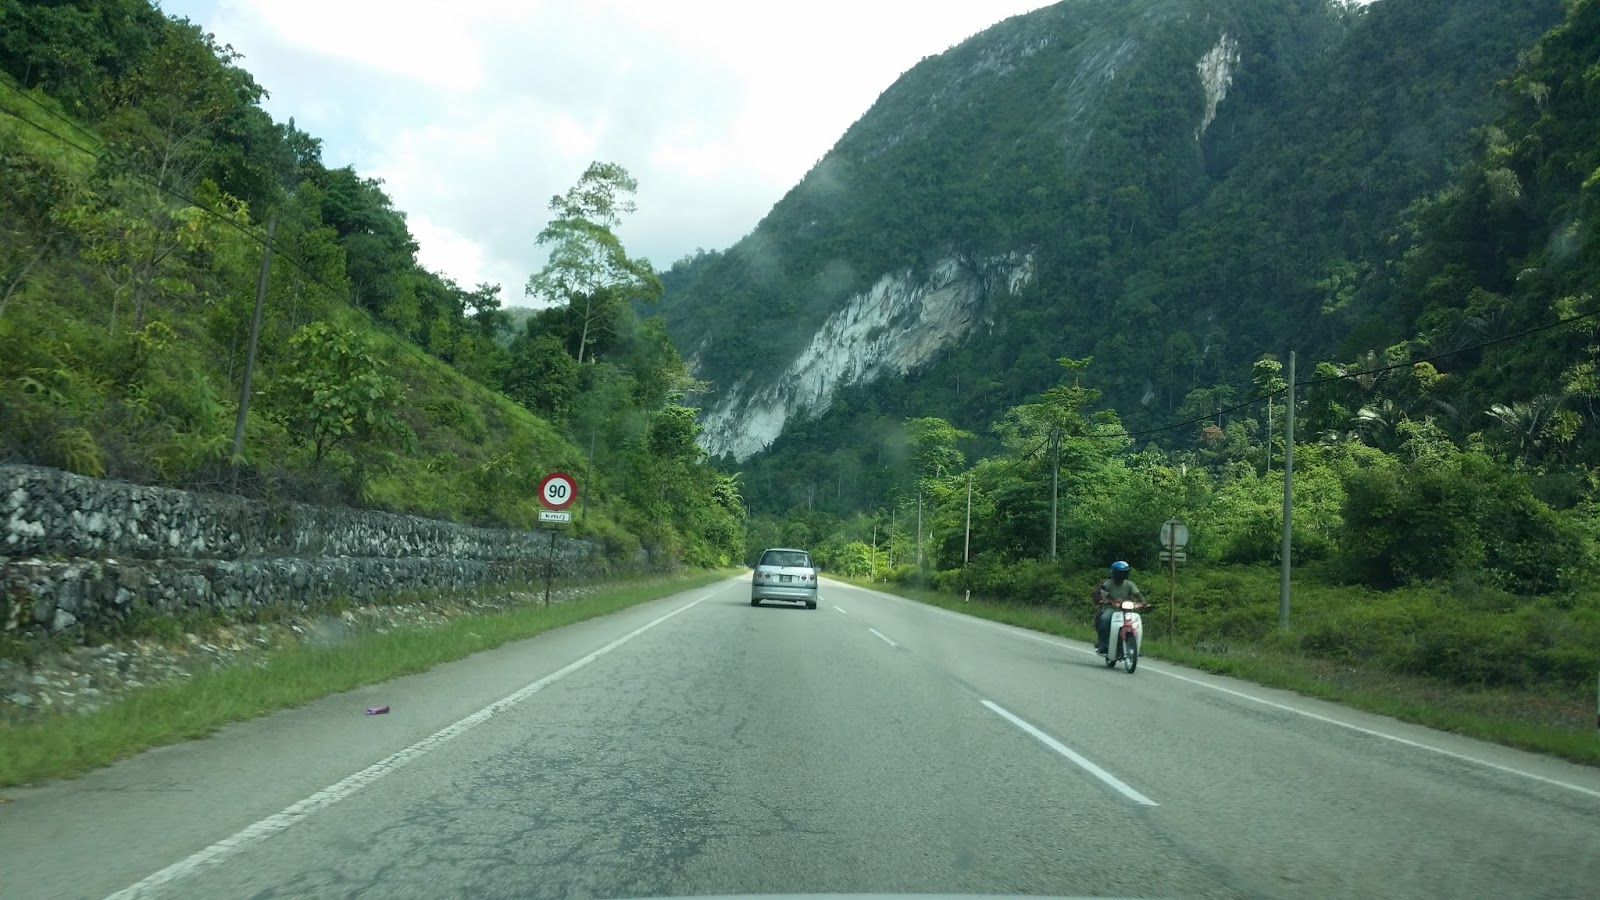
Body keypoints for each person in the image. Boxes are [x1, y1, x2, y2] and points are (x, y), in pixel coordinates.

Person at [1091, 560, 1144, 654]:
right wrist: (1107, 601)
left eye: (1124, 572)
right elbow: (1102, 594)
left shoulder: (1129, 584)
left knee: (1136, 623)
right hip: (1111, 608)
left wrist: (1142, 603)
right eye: (1120, 572)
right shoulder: (1108, 583)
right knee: (1104, 619)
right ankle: (1104, 644)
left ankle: (1134, 646)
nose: (1122, 575)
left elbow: (1137, 594)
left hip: (1126, 609)